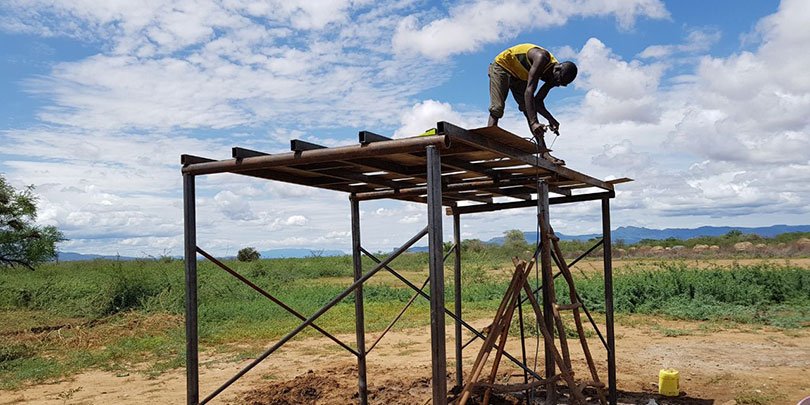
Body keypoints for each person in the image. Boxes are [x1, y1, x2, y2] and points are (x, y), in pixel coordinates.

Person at [487, 43, 577, 164]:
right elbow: (529, 91)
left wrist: (551, 119)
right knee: (497, 107)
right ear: (557, 69)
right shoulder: (541, 58)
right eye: (556, 81)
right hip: (502, 67)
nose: (554, 83)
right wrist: (534, 122)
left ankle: (544, 153)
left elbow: (537, 102)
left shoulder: (556, 76)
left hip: (520, 76)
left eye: (559, 84)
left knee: (528, 109)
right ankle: (488, 140)